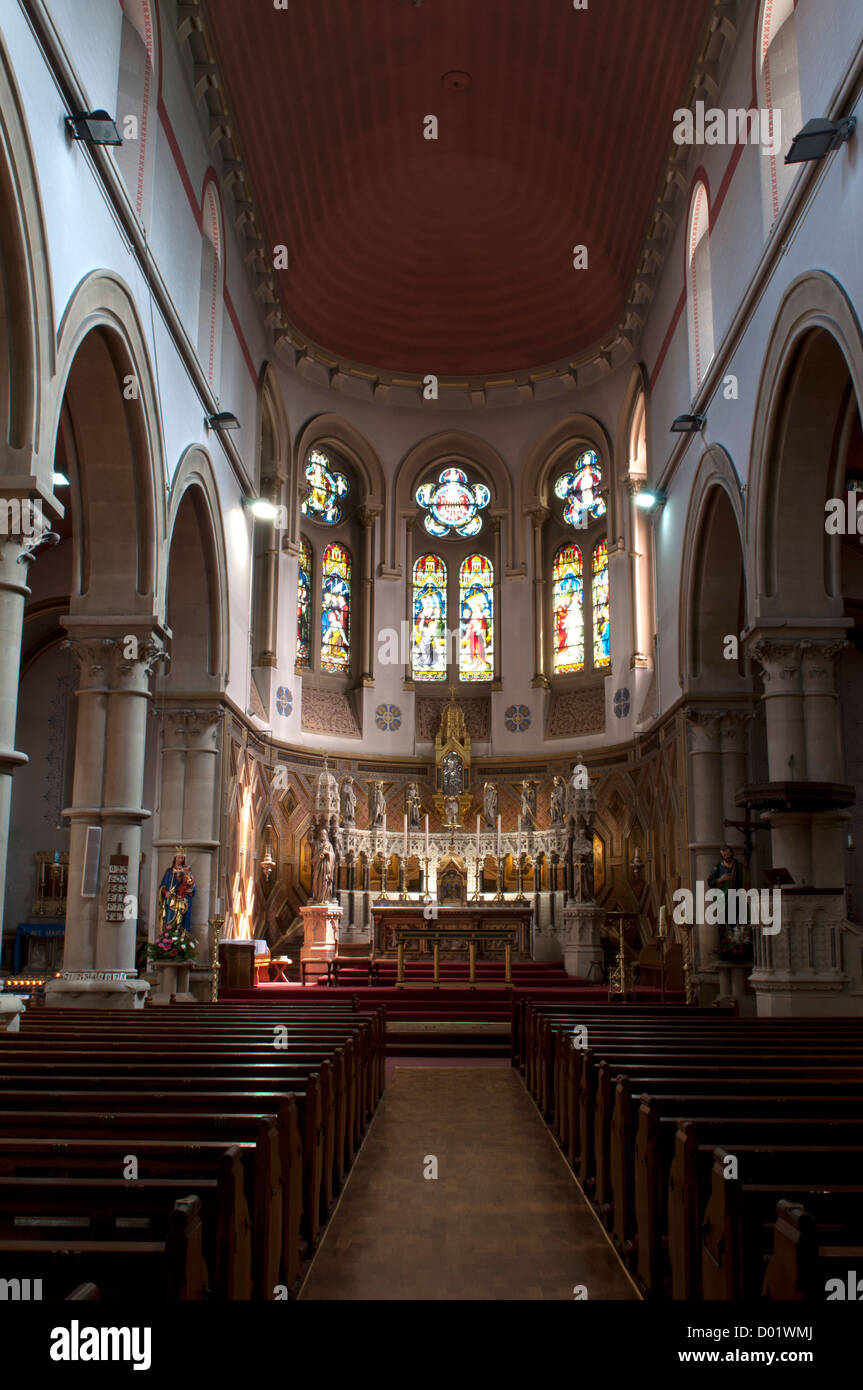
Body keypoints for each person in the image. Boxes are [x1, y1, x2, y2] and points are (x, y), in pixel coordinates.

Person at [158, 852, 195, 932]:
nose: (180, 860)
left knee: (182, 921)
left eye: (182, 858)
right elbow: (163, 884)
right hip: (172, 899)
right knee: (170, 920)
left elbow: (192, 884)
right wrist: (165, 892)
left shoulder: (186, 871)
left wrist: (191, 890)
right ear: (174, 858)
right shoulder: (169, 871)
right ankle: (168, 939)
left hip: (183, 899)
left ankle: (181, 939)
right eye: (178, 857)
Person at [311, 827, 336, 903]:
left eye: (324, 834)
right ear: (319, 835)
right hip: (318, 867)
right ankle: (317, 898)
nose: (323, 835)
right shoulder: (316, 844)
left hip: (326, 867)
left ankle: (325, 898)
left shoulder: (329, 845)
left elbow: (333, 856)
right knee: (316, 882)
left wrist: (327, 853)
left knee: (325, 882)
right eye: (321, 834)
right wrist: (319, 855)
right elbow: (313, 856)